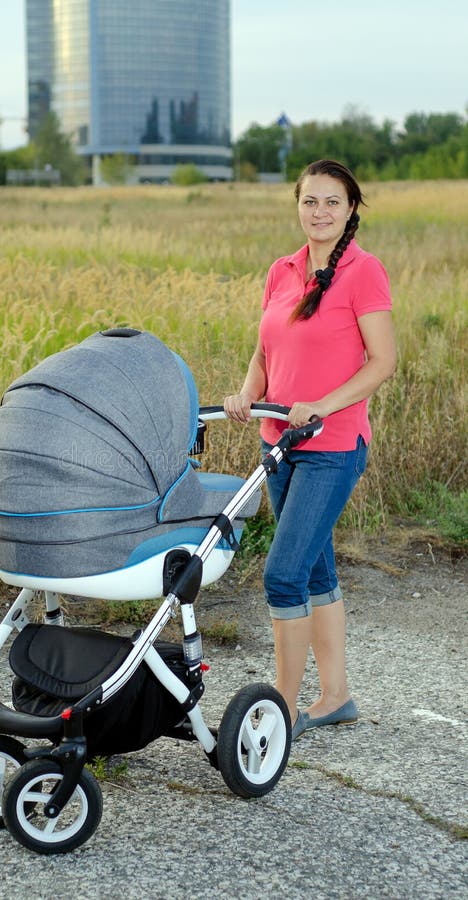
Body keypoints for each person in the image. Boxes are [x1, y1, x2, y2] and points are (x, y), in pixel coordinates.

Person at [224, 159, 396, 739]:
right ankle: (336, 697)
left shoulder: (363, 272)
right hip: (278, 440)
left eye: (332, 202)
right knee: (317, 573)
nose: (319, 212)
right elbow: (265, 351)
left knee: (284, 574)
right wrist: (248, 394)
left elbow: (383, 363)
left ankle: (284, 709)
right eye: (310, 201)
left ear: (351, 209)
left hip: (333, 445)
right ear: (297, 205)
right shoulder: (281, 270)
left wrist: (323, 404)